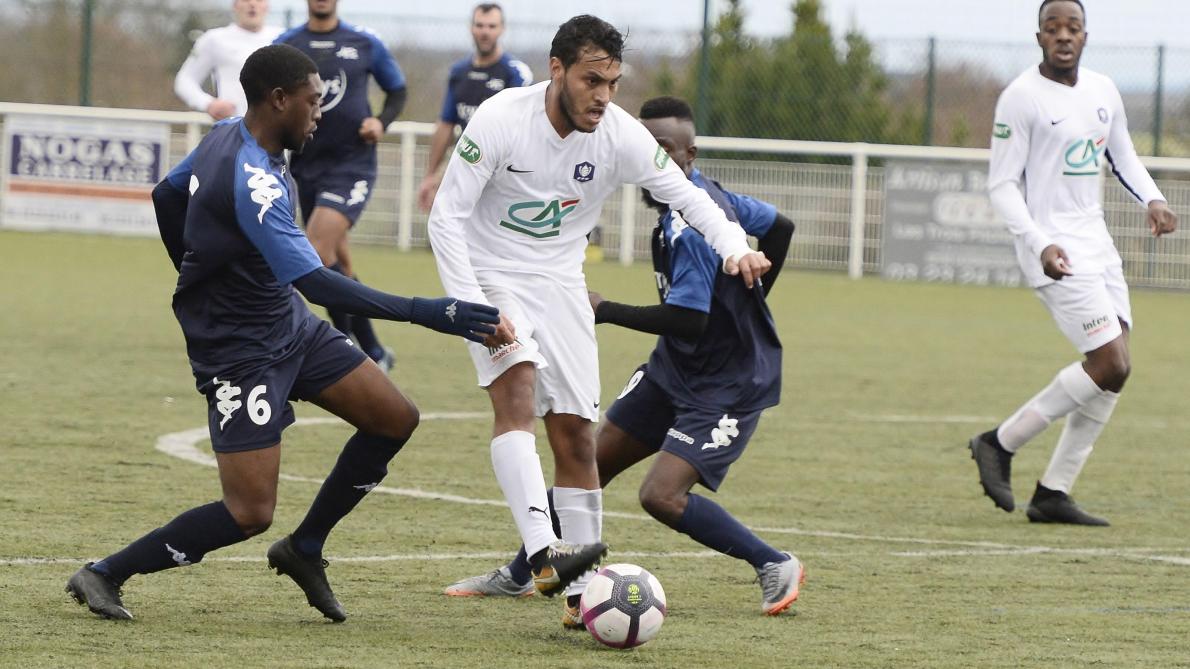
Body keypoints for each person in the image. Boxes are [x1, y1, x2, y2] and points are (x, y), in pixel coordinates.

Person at [64, 44, 499, 622]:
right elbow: (322, 285)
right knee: (249, 511)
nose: (321, 113)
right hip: (239, 353)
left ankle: (306, 547)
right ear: (278, 100)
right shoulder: (255, 184)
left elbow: (167, 193)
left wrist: (194, 268)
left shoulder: (230, 134)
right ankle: (104, 573)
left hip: (287, 324)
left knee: (394, 417)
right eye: (314, 101)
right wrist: (431, 311)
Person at [427, 16, 773, 620]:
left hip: (561, 282)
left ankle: (580, 588)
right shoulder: (501, 118)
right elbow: (446, 218)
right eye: (592, 80)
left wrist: (735, 245)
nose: (603, 96)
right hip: (492, 275)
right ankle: (542, 556)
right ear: (557, 70)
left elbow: (689, 196)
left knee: (576, 435)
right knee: (516, 394)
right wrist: (469, 305)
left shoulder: (619, 134)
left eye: (612, 82)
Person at [970, 0, 1177, 526]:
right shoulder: (1020, 98)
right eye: (1053, 28)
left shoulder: (1104, 90)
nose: (1064, 36)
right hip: (1053, 248)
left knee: (1116, 371)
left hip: (1097, 244)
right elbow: (1001, 185)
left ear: (1085, 36)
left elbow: (1122, 155)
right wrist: (1038, 242)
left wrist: (1152, 198)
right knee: (1111, 363)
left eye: (1073, 27)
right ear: (1039, 37)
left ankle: (1053, 492)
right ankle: (1000, 442)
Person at [275, 0, 408, 372]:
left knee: (314, 249)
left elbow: (397, 91)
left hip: (352, 165)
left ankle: (341, 350)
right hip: (305, 166)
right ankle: (374, 352)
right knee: (339, 265)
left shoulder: (364, 42)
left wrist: (381, 123)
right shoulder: (287, 44)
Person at [416, 3, 532, 213]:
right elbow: (446, 124)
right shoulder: (458, 73)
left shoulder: (515, 73)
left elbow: (521, 130)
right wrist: (431, 176)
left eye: (491, 26)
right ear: (471, 28)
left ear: (501, 29)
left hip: (504, 176)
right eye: (480, 25)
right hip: (467, 168)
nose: (485, 32)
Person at [174, 0, 283, 120]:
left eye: (259, 0)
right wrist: (208, 103)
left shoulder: (284, 38)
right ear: (235, 5)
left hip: (276, 130)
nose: (252, 4)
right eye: (245, 0)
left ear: (267, 5)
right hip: (232, 127)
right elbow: (185, 79)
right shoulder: (214, 39)